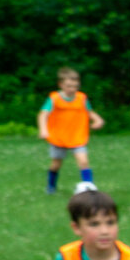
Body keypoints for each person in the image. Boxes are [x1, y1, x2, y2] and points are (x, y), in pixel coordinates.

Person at [37, 67, 105, 195]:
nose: (72, 89)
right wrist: (43, 129)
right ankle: (51, 186)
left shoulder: (81, 98)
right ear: (61, 85)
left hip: (77, 137)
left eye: (75, 86)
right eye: (68, 86)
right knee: (56, 164)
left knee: (83, 161)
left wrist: (98, 120)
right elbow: (43, 115)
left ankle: (89, 187)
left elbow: (89, 112)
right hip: (58, 137)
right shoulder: (54, 98)